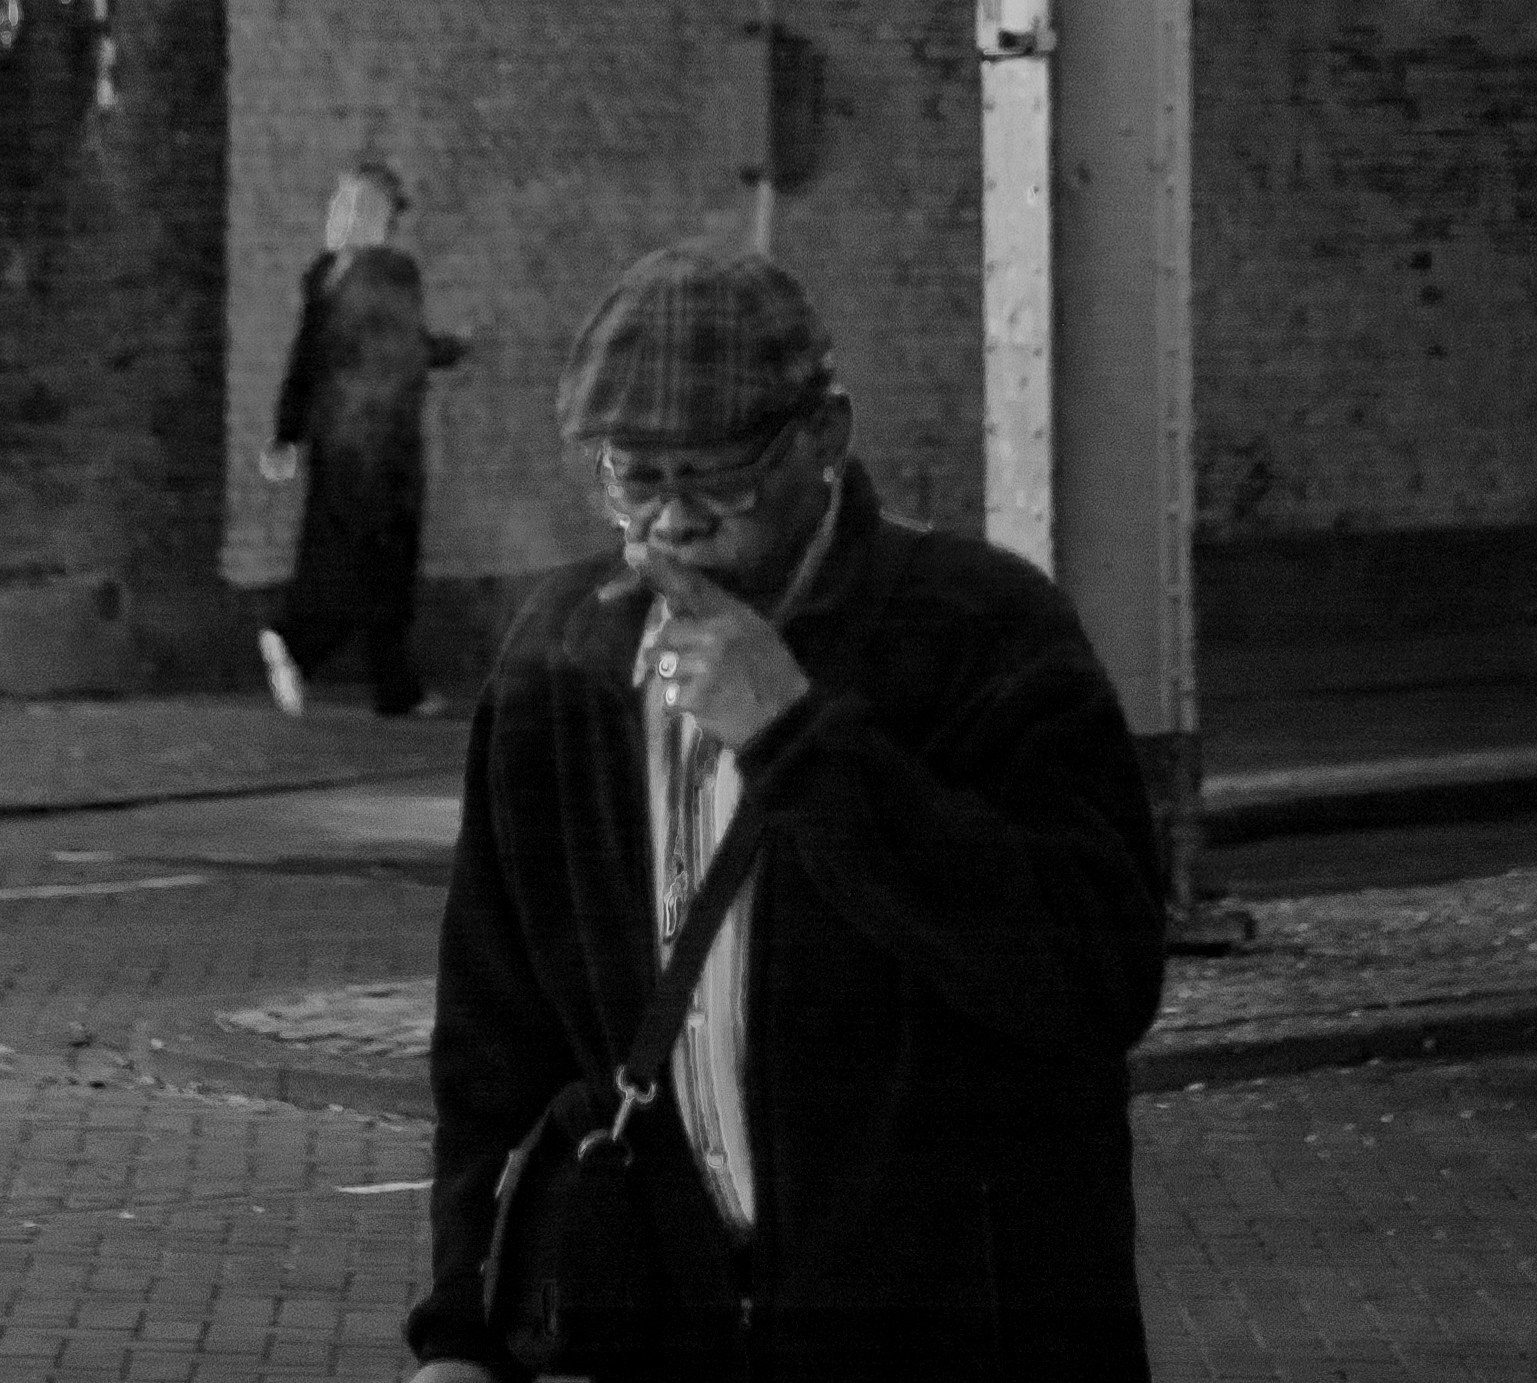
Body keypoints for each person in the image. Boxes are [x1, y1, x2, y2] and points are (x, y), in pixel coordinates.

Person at [406, 230, 1165, 1383]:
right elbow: (491, 1036)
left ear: (824, 437)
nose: (669, 521)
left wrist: (799, 737)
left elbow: (1092, 970)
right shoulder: (559, 661)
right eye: (632, 477)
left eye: (714, 474)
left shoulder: (982, 633)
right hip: (660, 1332)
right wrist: (459, 1334)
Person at [257, 162, 468, 722]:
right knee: (386, 566)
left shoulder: (328, 275)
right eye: (393, 215)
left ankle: (367, 676)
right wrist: (456, 350)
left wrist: (286, 436)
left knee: (337, 556)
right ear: (381, 216)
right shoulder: (393, 272)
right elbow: (405, 352)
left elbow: (304, 362)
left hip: (334, 445)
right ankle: (309, 648)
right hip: (385, 448)